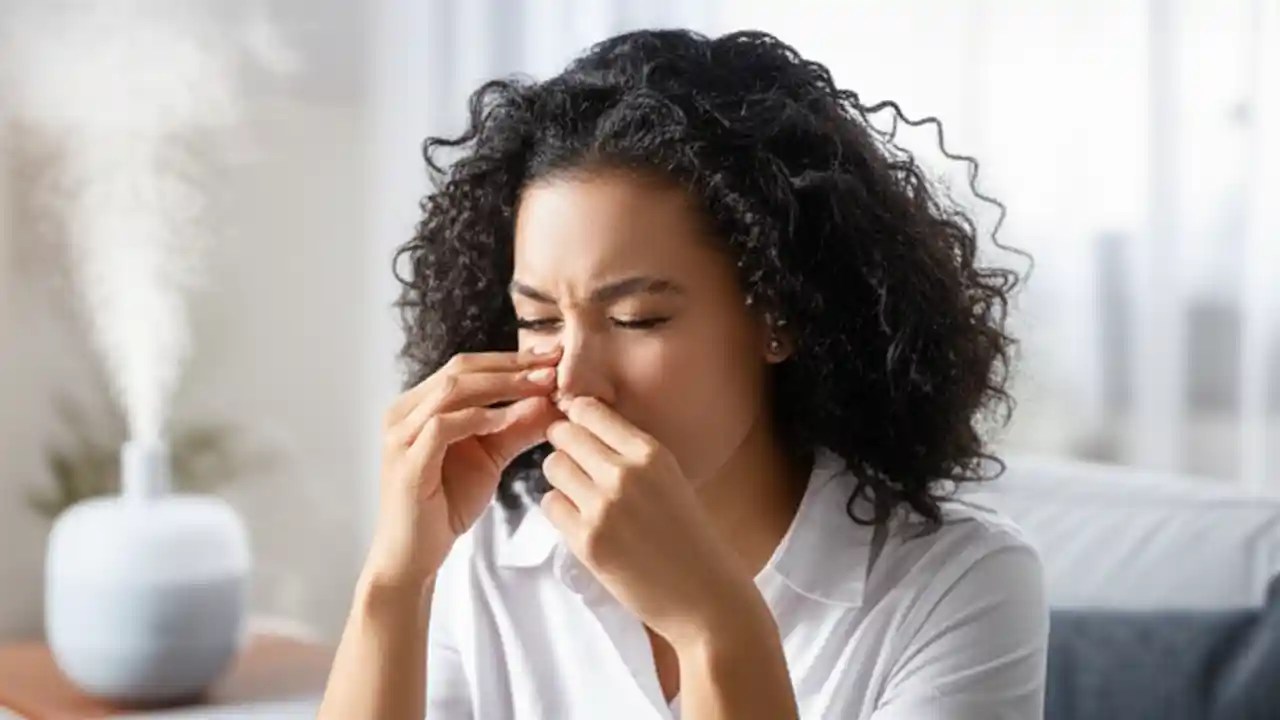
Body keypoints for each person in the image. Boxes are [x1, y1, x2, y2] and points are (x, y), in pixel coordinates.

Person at [319, 28, 1047, 720]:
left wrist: (713, 627)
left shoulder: (959, 581)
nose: (576, 380)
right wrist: (395, 584)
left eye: (636, 319)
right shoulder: (488, 556)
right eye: (539, 320)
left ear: (779, 314)